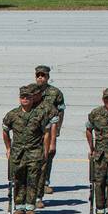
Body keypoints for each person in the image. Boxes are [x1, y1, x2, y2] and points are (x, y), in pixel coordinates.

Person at [3, 85, 50, 214]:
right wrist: (8, 148)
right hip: (18, 152)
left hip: (34, 151)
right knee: (18, 179)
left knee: (32, 180)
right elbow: (5, 130)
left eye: (28, 97)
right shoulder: (12, 114)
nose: (25, 99)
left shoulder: (40, 114)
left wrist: (45, 150)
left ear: (32, 98)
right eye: (23, 97)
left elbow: (46, 133)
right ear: (19, 99)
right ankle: (19, 207)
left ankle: (30, 207)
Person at [33, 64, 65, 199]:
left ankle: (45, 182)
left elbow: (61, 111)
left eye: (43, 76)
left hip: (49, 128)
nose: (40, 78)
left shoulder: (55, 93)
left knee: (47, 156)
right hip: (34, 130)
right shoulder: (31, 91)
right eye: (38, 75)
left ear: (48, 77)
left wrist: (57, 129)